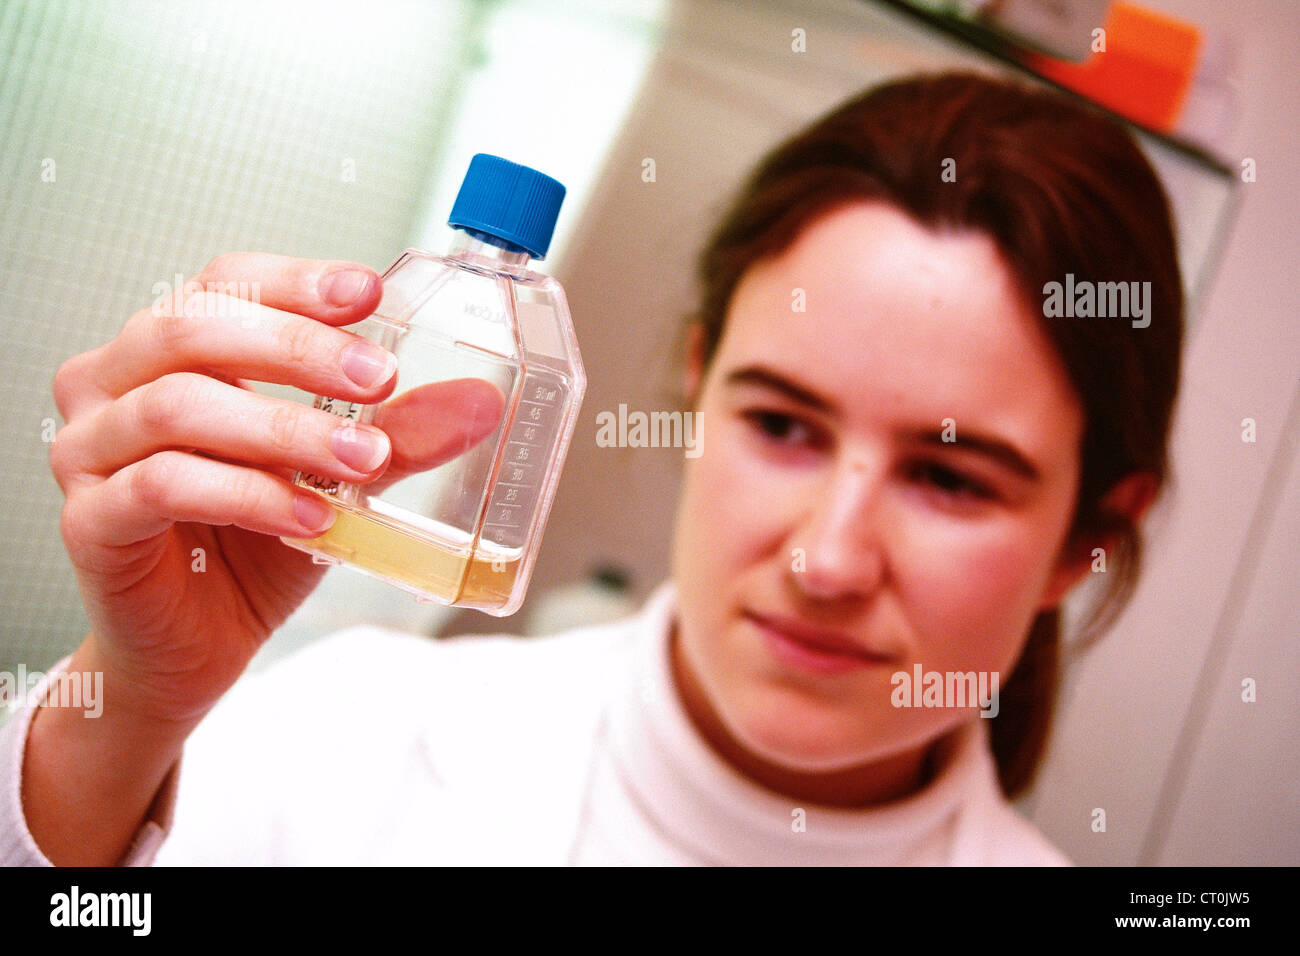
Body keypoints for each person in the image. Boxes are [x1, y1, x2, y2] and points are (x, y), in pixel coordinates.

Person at [2, 71, 1182, 866]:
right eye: (781, 424)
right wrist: (127, 711)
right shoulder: (350, 736)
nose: (827, 558)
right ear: (695, 381)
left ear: (1087, 537)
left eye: (953, 479)